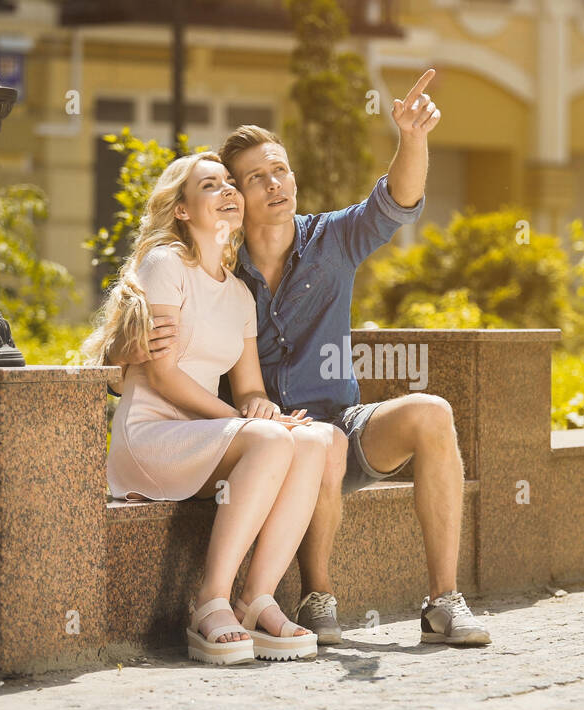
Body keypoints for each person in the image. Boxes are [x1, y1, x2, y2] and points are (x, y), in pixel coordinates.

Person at [107, 69, 490, 647]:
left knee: (431, 412)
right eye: (254, 178)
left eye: (280, 170)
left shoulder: (331, 240)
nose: (274, 185)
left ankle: (443, 601)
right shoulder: (216, 269)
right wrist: (122, 349)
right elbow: (139, 345)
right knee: (320, 442)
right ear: (234, 197)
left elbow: (396, 203)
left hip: (337, 422)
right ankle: (316, 596)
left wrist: (413, 138)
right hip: (267, 442)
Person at [82, 151, 336, 665]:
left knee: (313, 441)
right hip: (151, 438)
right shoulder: (165, 265)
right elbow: (162, 373)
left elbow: (248, 389)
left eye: (229, 184)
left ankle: (254, 599)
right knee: (268, 439)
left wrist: (260, 409)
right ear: (181, 210)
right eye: (209, 186)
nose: (227, 192)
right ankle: (209, 602)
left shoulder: (241, 294)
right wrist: (244, 423)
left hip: (204, 438)